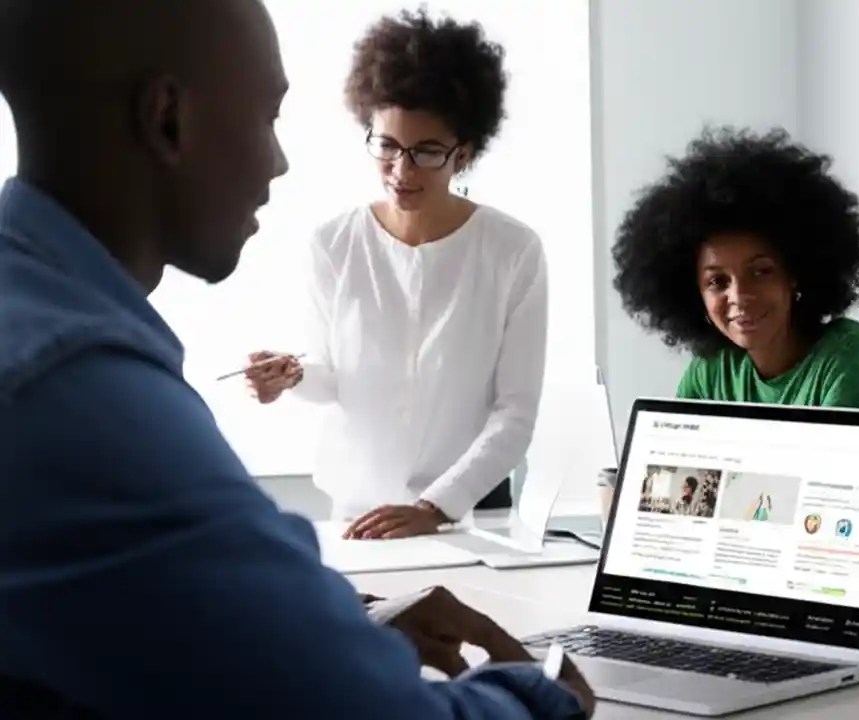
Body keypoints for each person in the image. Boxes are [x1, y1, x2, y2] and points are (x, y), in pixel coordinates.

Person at [0, 1, 593, 716]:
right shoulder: (84, 397)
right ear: (168, 118)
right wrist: (539, 696)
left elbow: (185, 607)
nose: (280, 162)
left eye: (425, 150)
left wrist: (345, 613)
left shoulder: (40, 329)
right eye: (268, 115)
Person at [244, 7, 548, 539]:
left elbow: (515, 415)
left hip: (464, 522)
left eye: (426, 151)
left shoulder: (512, 252)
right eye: (386, 146)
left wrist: (434, 508)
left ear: (465, 153)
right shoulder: (333, 244)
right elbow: (331, 377)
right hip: (357, 518)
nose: (401, 171)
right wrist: (290, 376)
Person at [613, 127, 859, 408]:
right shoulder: (710, 370)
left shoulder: (850, 357)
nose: (739, 295)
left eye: (760, 272)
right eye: (717, 282)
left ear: (794, 273)